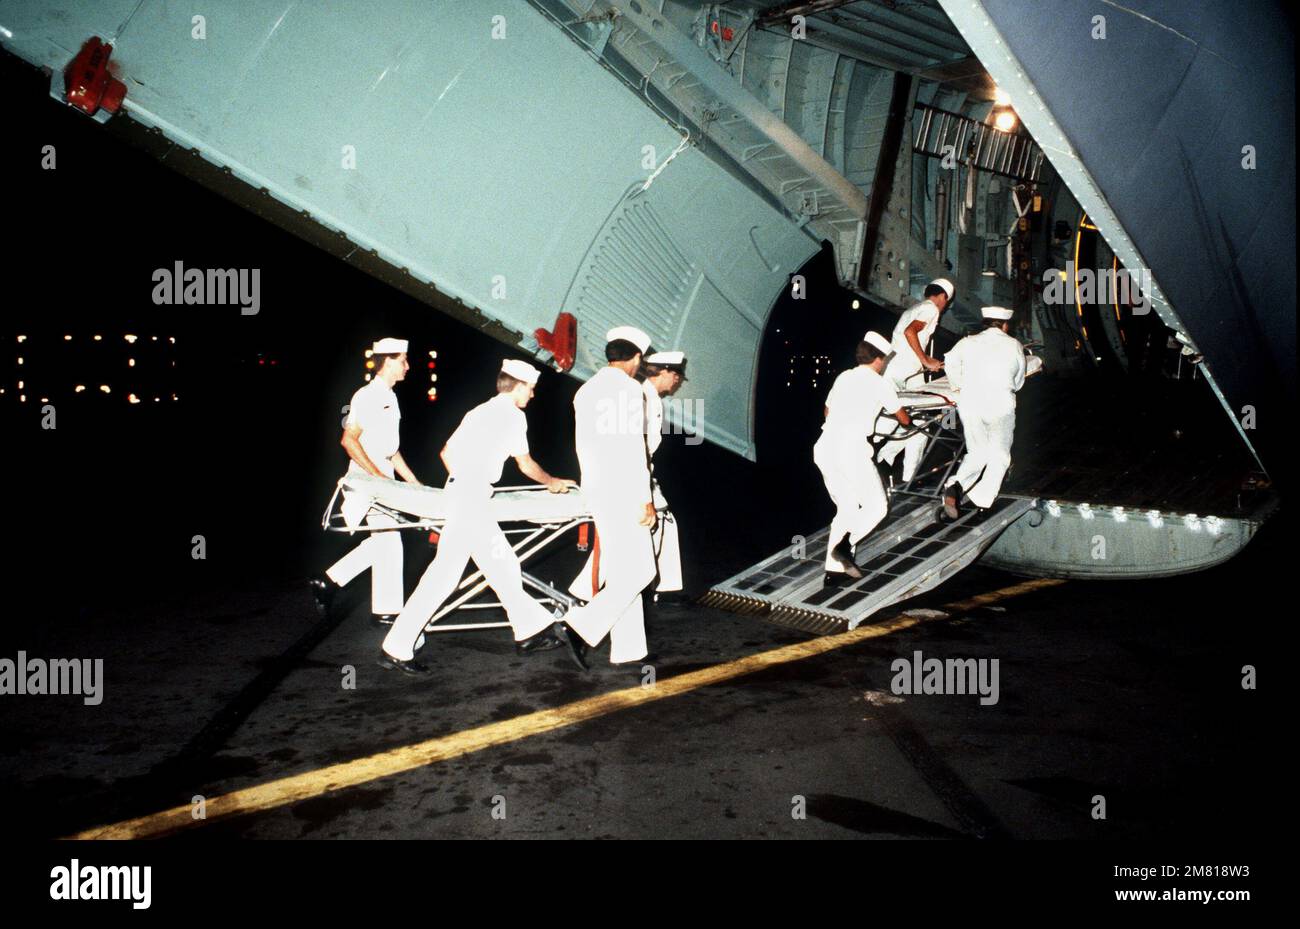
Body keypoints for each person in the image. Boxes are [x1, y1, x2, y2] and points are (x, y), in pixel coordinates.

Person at [378, 359, 580, 676]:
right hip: (471, 501)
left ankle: (528, 632)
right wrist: (553, 482)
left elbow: (446, 453)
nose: (533, 396)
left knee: (500, 566)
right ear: (519, 386)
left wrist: (465, 481)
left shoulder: (480, 411)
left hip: (461, 495)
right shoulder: (513, 416)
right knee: (446, 576)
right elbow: (526, 465)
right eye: (531, 389)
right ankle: (396, 646)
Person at [558, 326, 658, 668]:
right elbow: (633, 445)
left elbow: (583, 444)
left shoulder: (585, 391)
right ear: (637, 358)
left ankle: (630, 650)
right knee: (642, 570)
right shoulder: (630, 390)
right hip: (625, 489)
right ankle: (579, 626)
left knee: (620, 569)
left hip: (597, 487)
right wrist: (645, 498)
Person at [311, 338, 420, 623]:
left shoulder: (390, 396)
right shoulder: (367, 396)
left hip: (383, 479)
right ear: (387, 362)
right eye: (403, 361)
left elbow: (391, 448)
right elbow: (348, 441)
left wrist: (413, 482)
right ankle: (383, 609)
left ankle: (332, 583)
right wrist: (377, 476)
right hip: (368, 480)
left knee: (387, 540)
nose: (408, 366)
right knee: (389, 541)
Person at [568, 349, 687, 602]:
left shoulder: (647, 395)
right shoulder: (641, 395)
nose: (677, 381)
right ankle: (585, 595)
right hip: (627, 478)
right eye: (676, 375)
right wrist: (645, 491)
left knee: (654, 529)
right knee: (628, 544)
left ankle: (663, 589)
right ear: (664, 372)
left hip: (628, 476)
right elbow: (635, 446)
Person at [815, 331, 912, 585]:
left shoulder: (844, 377)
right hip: (851, 451)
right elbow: (903, 419)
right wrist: (907, 422)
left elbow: (827, 411)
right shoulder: (881, 384)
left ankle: (833, 573)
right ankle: (846, 545)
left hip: (825, 448)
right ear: (879, 359)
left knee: (846, 508)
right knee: (877, 507)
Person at [942, 306, 1027, 518]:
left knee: (977, 452)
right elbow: (1019, 380)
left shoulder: (967, 342)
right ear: (1005, 325)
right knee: (999, 456)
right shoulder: (1014, 345)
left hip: (970, 402)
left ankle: (955, 487)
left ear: (984, 324)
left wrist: (957, 386)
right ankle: (982, 499)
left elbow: (949, 361)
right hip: (999, 404)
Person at [876, 278, 954, 482]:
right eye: (946, 301)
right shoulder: (931, 309)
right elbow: (911, 331)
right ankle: (885, 458)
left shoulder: (916, 308)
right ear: (943, 297)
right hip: (902, 369)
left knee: (919, 423)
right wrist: (927, 360)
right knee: (895, 420)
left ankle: (891, 461)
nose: (945, 306)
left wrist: (925, 363)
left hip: (902, 369)